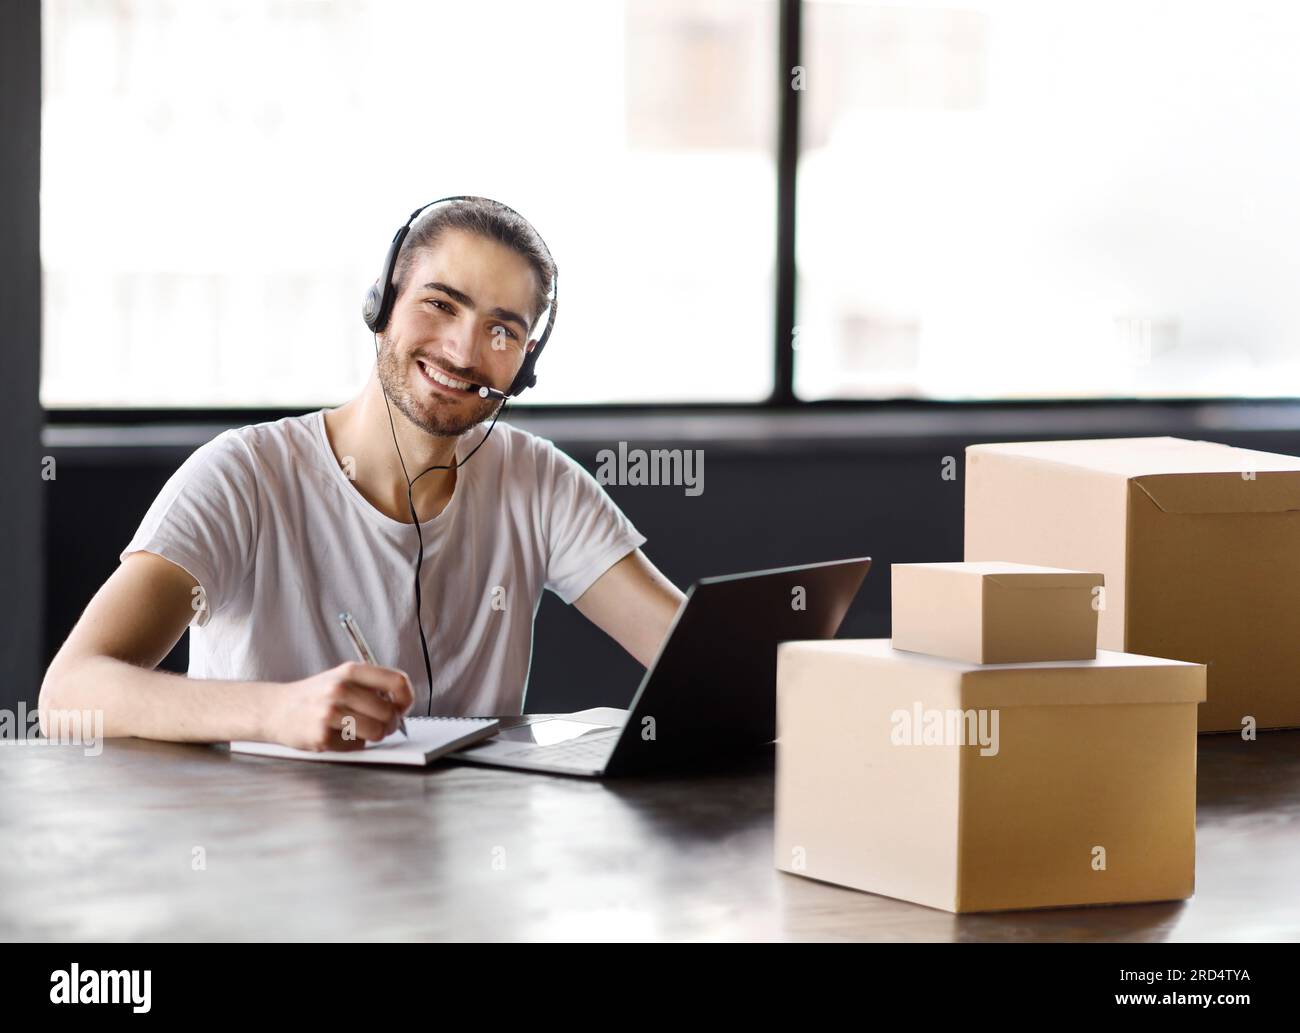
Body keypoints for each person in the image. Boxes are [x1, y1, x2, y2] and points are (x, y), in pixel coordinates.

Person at [40, 198, 686, 751]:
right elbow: (69, 693)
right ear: (382, 305)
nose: (464, 350)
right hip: (262, 844)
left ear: (525, 364)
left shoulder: (539, 482)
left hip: (468, 848)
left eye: (502, 331)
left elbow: (694, 656)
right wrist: (278, 710)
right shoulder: (243, 475)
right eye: (441, 304)